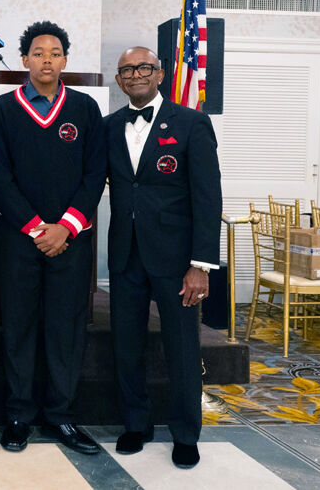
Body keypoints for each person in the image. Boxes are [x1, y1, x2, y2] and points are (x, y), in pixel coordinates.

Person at [0, 21, 106, 455]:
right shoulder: (3, 109)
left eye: (56, 53)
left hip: (71, 240)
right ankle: (19, 414)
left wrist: (65, 227)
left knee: (66, 328)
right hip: (21, 239)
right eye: (39, 53)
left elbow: (96, 173)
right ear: (24, 60)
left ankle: (62, 416)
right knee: (18, 325)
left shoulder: (85, 109)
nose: (47, 60)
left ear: (66, 61)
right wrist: (37, 228)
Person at [105, 46, 221, 469]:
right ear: (119, 81)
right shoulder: (109, 126)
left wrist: (200, 264)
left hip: (177, 260)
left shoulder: (191, 123)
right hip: (125, 255)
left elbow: (208, 197)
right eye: (126, 70)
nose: (135, 75)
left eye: (143, 68)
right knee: (126, 345)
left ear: (159, 73)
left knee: (182, 348)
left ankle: (186, 433)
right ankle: (136, 424)